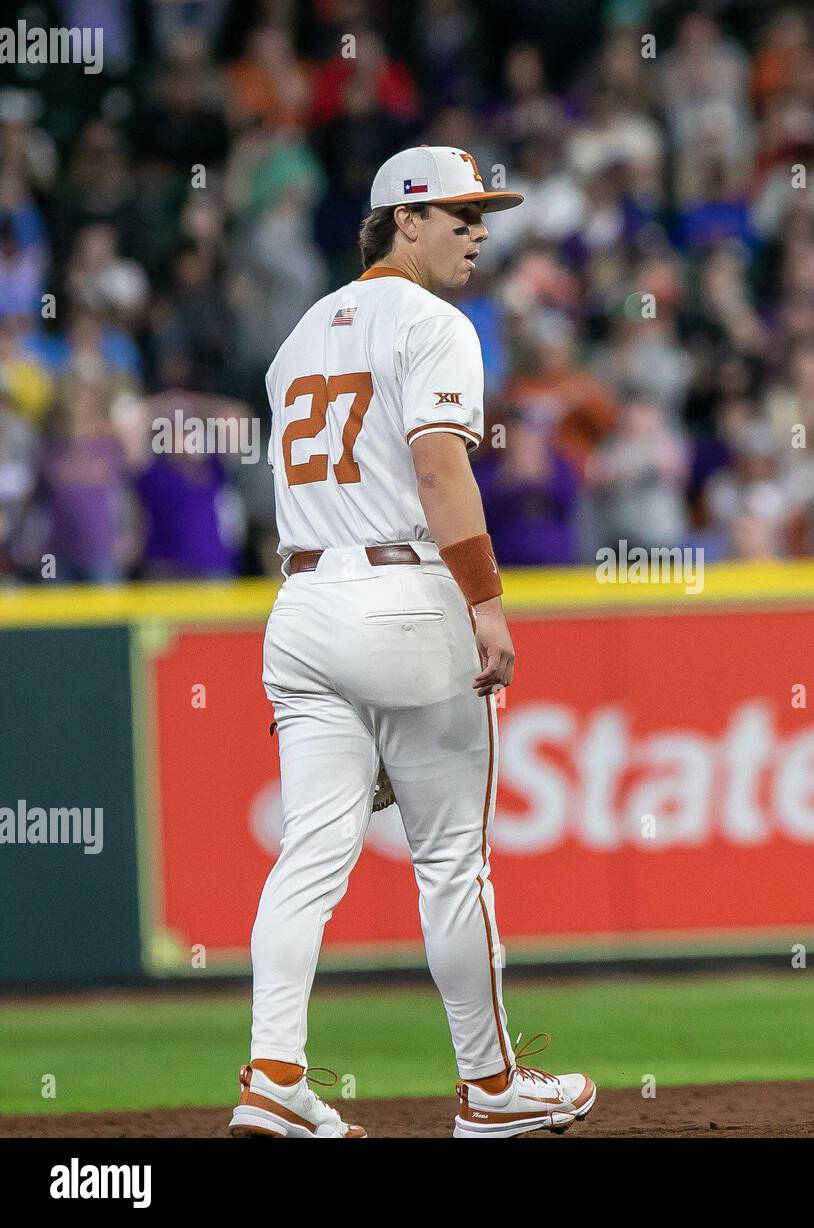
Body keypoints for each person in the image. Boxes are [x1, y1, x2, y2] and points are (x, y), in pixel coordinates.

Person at [229, 146, 595, 1140]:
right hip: (402, 592)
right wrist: (484, 598)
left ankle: (272, 1074)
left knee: (309, 854)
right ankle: (489, 1088)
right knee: (453, 859)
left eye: (484, 214)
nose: (480, 231)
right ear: (403, 219)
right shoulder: (437, 322)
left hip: (302, 603)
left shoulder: (297, 337)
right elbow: (438, 470)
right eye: (460, 214)